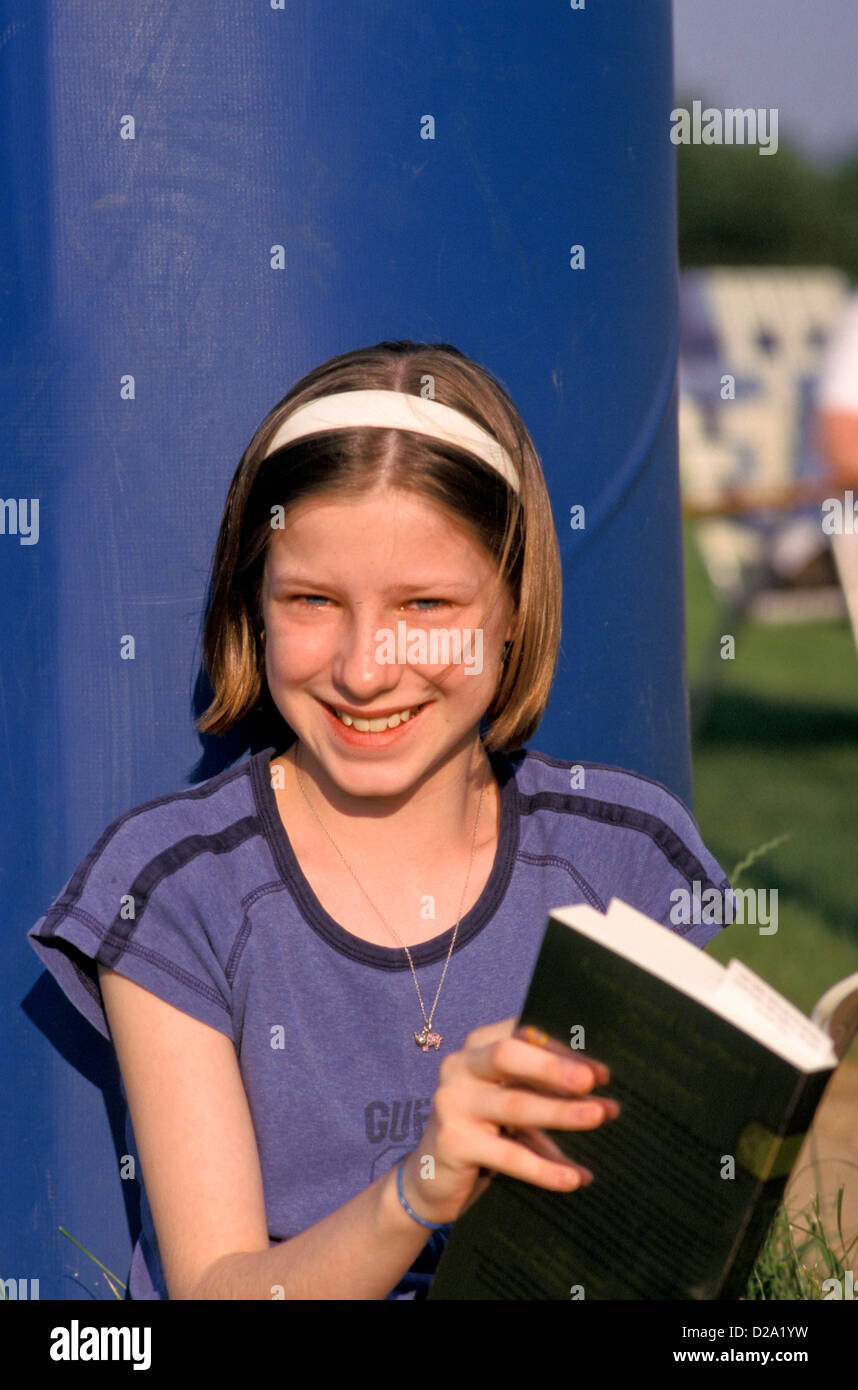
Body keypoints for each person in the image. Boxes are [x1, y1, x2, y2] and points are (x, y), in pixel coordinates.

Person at [28, 339, 730, 1300]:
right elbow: (219, 1286)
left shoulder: (629, 860)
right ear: (255, 608)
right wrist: (421, 1188)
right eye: (312, 600)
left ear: (513, 608)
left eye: (427, 604)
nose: (366, 667)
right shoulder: (179, 886)